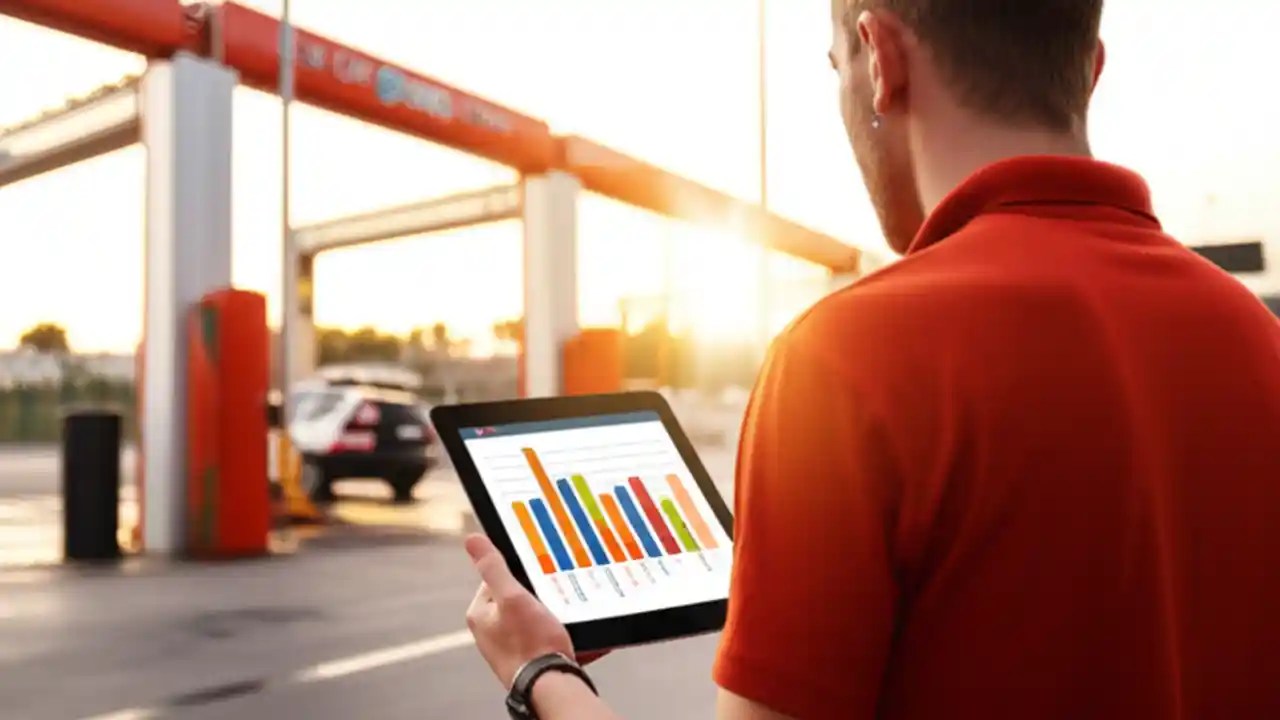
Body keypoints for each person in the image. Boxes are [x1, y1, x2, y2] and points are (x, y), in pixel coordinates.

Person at [463, 0, 1280, 717]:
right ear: (1089, 70)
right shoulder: (1256, 338)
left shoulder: (846, 360)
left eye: (836, 66)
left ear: (879, 60)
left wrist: (539, 671)